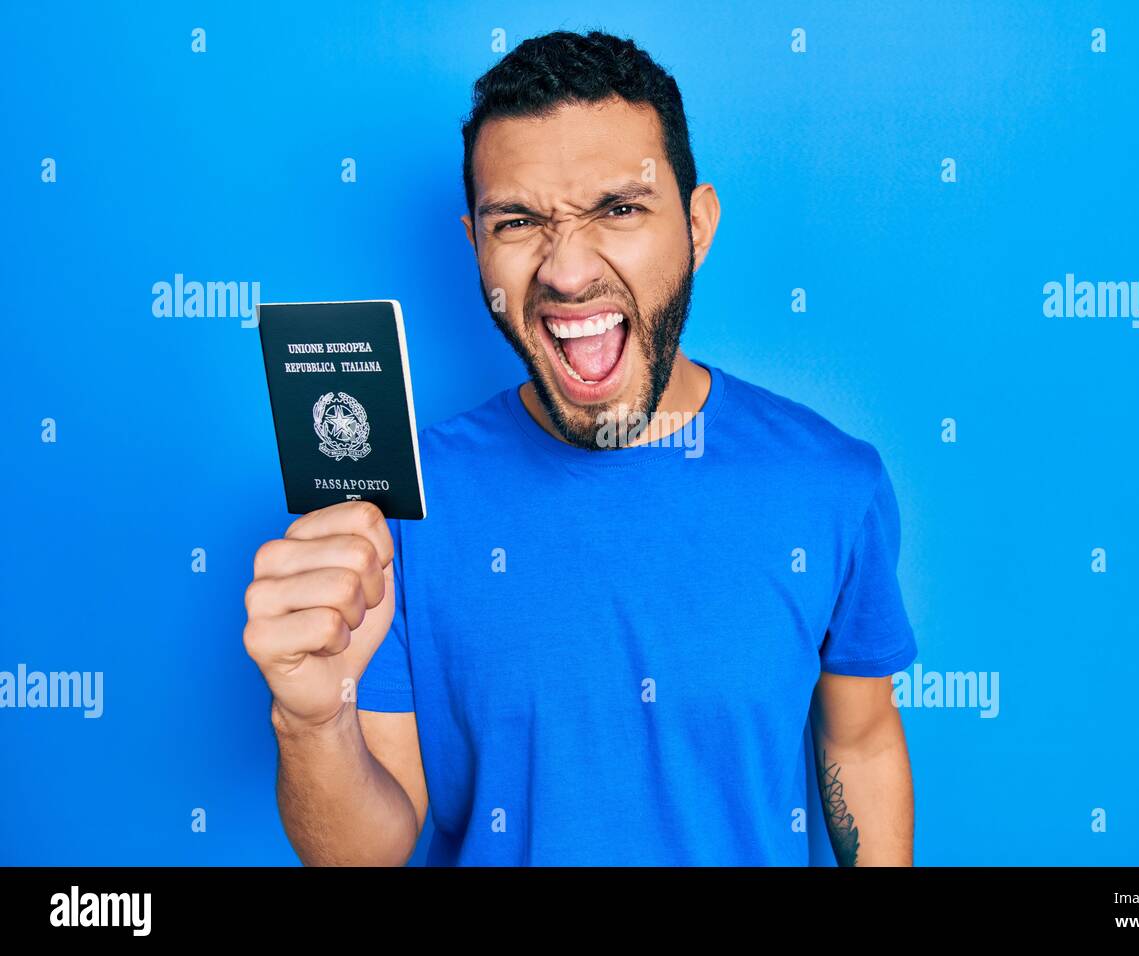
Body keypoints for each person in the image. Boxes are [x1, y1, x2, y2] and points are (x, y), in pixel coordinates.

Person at [242, 29, 918, 866]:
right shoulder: (396, 509)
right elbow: (364, 854)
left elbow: (860, 740)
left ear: (697, 226)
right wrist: (310, 722)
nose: (566, 271)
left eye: (619, 209)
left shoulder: (829, 485)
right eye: (518, 221)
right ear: (476, 247)